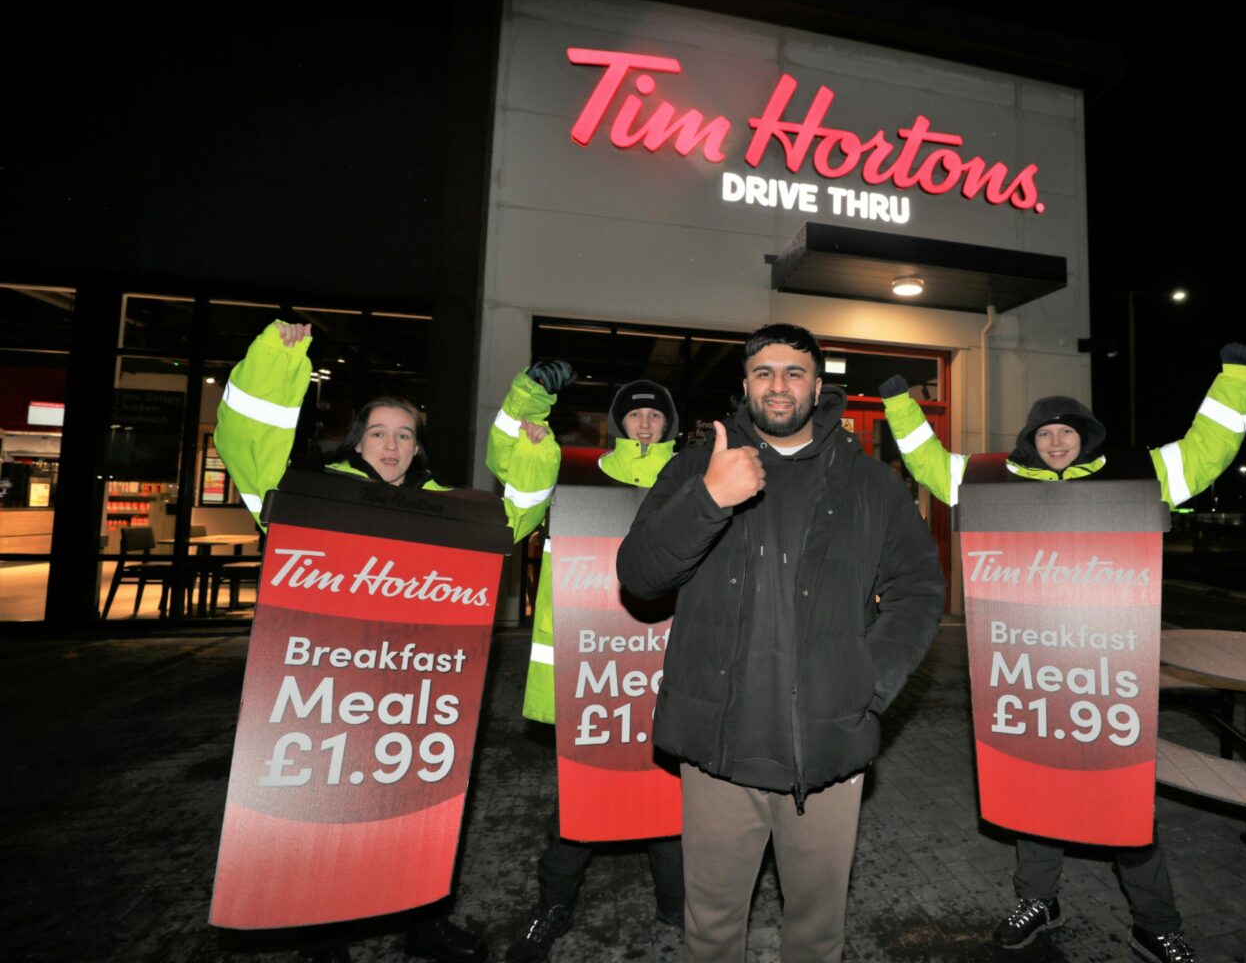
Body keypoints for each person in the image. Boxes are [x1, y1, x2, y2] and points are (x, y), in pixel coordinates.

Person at [878, 341, 1246, 963]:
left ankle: (1154, 922)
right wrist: (899, 404)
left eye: (1068, 431)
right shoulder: (993, 479)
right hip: (1029, 670)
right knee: (1033, 786)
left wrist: (1237, 378)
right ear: (1031, 440)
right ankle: (1040, 900)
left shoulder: (1136, 473)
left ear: (1087, 435)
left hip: (1108, 673)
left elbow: (1207, 449)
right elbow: (928, 462)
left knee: (1125, 800)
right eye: (1046, 433)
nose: (1057, 441)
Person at [214, 320, 571, 963]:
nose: (392, 444)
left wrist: (537, 448)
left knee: (416, 809)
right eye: (378, 431)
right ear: (357, 439)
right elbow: (249, 450)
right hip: (329, 688)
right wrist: (274, 362)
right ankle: (322, 943)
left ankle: (422, 924)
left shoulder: (444, 509)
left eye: (404, 434)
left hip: (417, 691)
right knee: (323, 807)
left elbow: (515, 516)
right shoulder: (320, 495)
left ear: (417, 447)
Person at [616, 323, 945, 962]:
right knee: (710, 929)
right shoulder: (695, 466)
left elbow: (919, 590)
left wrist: (867, 684)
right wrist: (710, 497)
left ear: (817, 386)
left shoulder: (870, 483)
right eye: (764, 372)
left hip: (826, 750)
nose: (778, 385)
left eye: (795, 372)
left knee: (818, 934)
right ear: (745, 384)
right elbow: (640, 575)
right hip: (717, 748)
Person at [494, 379, 686, 962]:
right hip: (593, 667)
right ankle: (554, 905)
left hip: (669, 665)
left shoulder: (694, 476)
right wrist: (527, 433)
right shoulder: (578, 471)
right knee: (584, 794)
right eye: (635, 415)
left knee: (670, 797)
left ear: (670, 423)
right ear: (618, 423)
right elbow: (515, 507)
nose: (646, 424)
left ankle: (678, 909)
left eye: (657, 414)